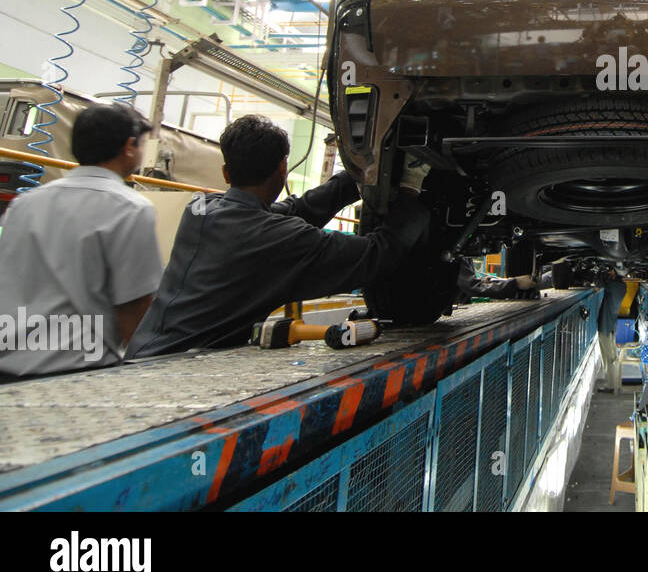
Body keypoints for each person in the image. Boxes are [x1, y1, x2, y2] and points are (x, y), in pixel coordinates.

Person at [127, 115, 428, 358]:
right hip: (181, 367)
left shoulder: (200, 210)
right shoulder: (281, 239)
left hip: (141, 358)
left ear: (226, 173)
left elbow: (296, 210)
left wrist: (357, 173)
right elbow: (378, 253)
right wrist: (412, 188)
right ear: (283, 167)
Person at [0, 102, 160, 376]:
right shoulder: (130, 208)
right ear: (130, 146)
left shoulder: (24, 204)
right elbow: (133, 307)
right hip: (75, 370)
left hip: (7, 365)